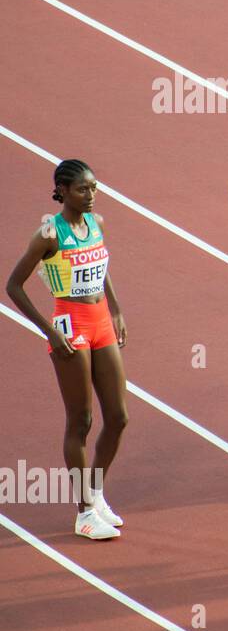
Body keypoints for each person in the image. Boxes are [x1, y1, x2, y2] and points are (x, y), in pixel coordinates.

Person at [6, 161, 128, 539]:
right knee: (81, 421)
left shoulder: (96, 223)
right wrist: (48, 331)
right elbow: (14, 286)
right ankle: (83, 513)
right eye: (82, 190)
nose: (91, 196)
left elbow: (100, 265)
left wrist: (117, 308)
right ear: (62, 190)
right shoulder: (48, 234)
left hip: (102, 321)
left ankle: (96, 492)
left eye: (94, 188)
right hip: (70, 327)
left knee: (119, 416)